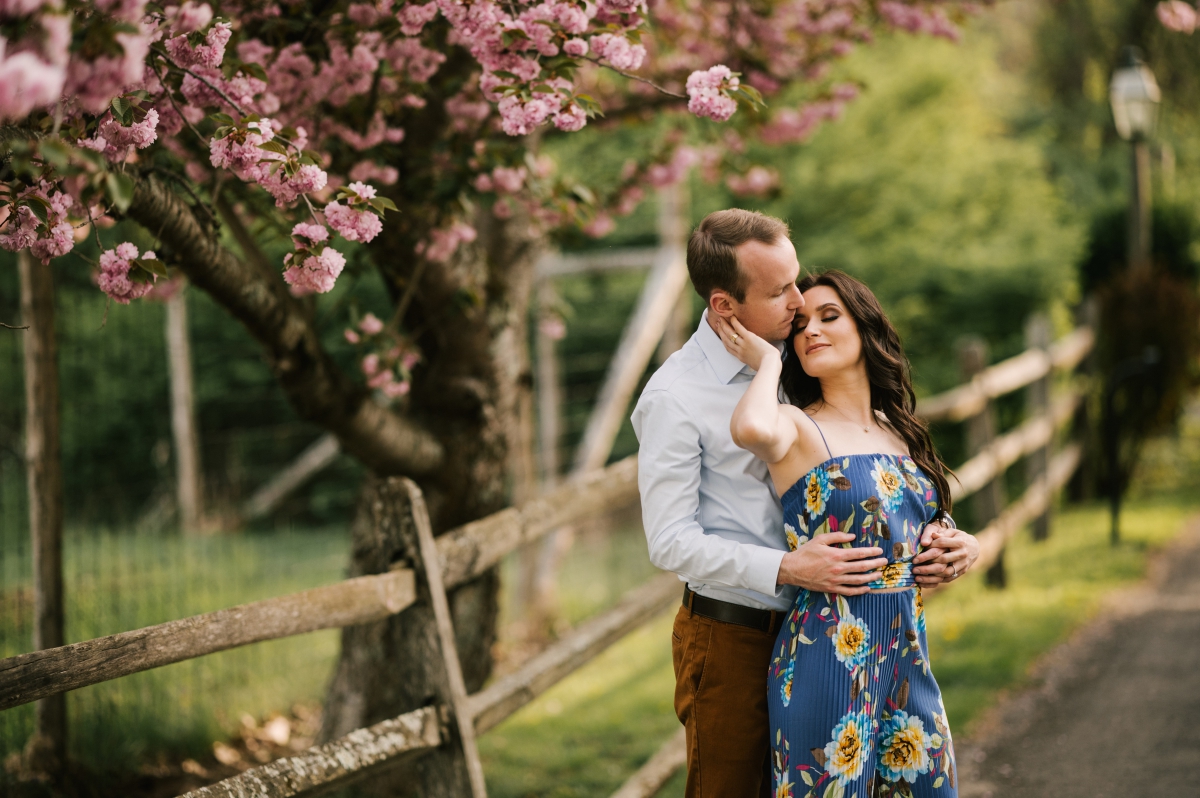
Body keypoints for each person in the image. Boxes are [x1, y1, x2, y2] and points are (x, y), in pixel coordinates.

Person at [632, 209, 974, 798]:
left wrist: (949, 534)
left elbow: (865, 473)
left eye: (796, 279)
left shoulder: (800, 357)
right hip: (735, 634)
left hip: (845, 626)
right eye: (779, 289)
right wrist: (789, 568)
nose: (798, 301)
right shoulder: (676, 396)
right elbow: (669, 541)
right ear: (724, 306)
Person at [716, 269, 978, 797]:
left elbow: (920, 519)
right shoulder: (796, 425)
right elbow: (749, 429)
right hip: (826, 654)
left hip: (908, 650)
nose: (810, 330)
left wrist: (963, 542)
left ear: (866, 328)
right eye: (800, 325)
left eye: (828, 317)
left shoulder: (897, 426)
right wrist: (769, 360)